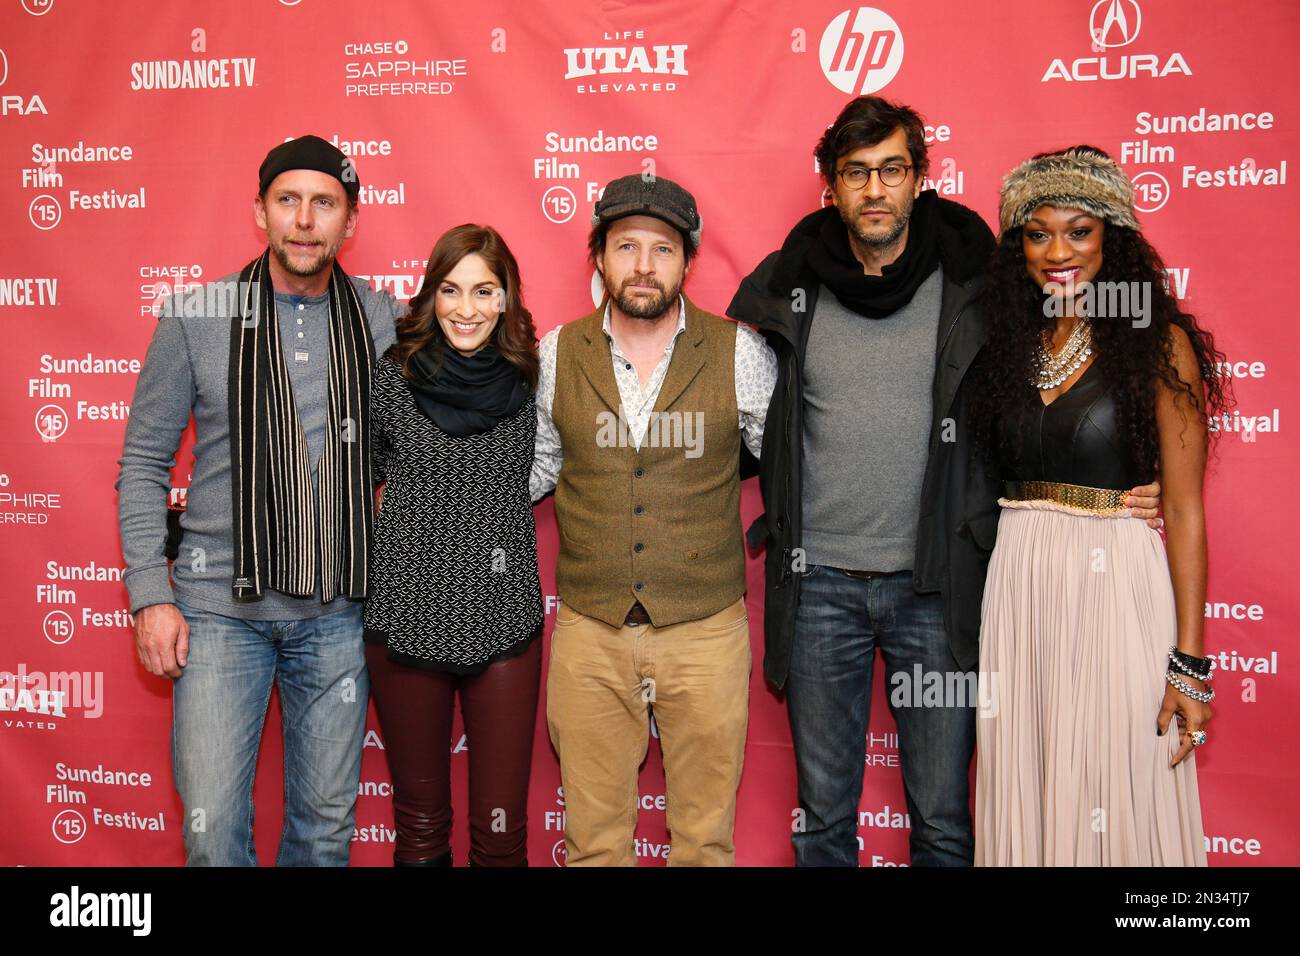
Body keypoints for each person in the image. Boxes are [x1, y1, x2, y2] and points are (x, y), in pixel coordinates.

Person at [728, 96, 1162, 866]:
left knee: (942, 819)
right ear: (830, 185)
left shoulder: (978, 284)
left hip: (938, 588)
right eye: (855, 173)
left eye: (892, 169)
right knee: (823, 818)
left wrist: (1113, 490)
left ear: (920, 177)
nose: (874, 189)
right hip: (819, 583)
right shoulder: (793, 287)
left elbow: (1050, 393)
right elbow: (746, 417)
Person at [116, 135, 401, 866]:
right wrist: (151, 594)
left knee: (324, 833)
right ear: (261, 211)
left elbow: (425, 439)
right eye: (288, 201)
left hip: (337, 613)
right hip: (216, 615)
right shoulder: (195, 315)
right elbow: (145, 462)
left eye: (325, 204)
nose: (305, 220)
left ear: (350, 222)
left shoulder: (381, 320)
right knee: (211, 837)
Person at [970, 146, 1226, 866]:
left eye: (1079, 230)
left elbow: (1185, 510)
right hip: (1020, 585)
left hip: (1116, 584)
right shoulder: (1008, 348)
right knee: (1031, 776)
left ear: (1114, 240)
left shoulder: (1159, 344)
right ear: (1016, 246)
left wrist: (1189, 668)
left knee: (1117, 777)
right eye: (1037, 231)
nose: (1058, 251)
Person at [531, 173, 777, 866]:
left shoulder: (740, 354)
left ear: (687, 263)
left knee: (703, 841)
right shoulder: (556, 353)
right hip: (591, 632)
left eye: (663, 249)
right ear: (599, 259)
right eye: (626, 246)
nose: (644, 266)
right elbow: (537, 469)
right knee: (594, 841)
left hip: (706, 631)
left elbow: (786, 468)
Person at [363, 224, 543, 867]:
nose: (466, 309)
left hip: (503, 621)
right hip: (406, 616)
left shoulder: (532, 376)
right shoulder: (391, 376)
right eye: (451, 289)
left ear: (506, 298)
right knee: (418, 829)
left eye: (484, 291)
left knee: (500, 835)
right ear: (430, 295)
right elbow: (367, 475)